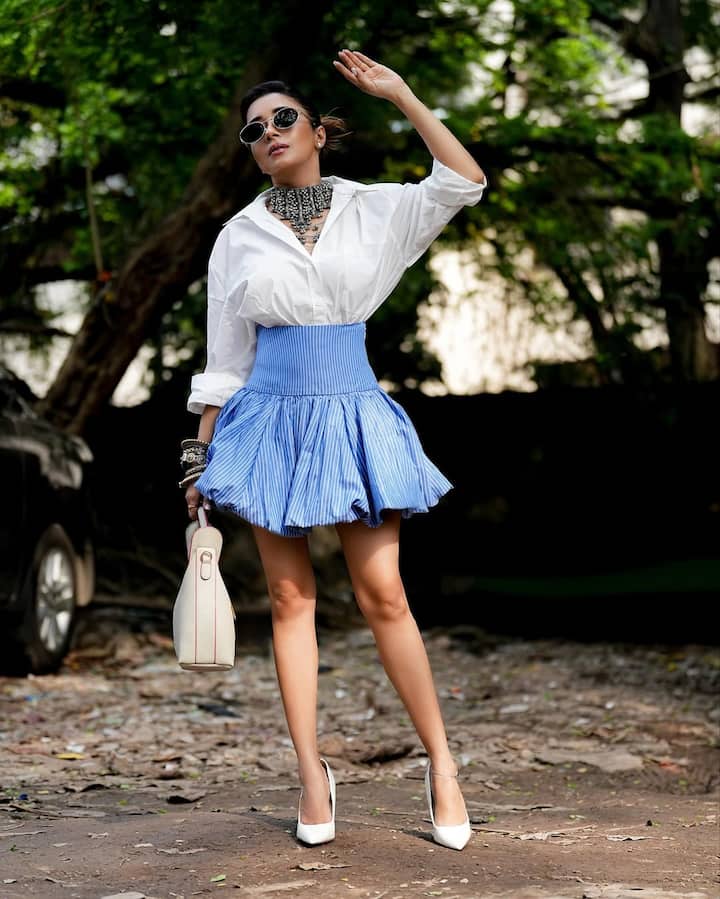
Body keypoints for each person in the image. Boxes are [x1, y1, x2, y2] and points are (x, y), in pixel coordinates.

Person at [180, 48, 487, 851]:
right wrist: (198, 457)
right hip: (267, 423)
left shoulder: (374, 209)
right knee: (289, 601)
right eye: (254, 129)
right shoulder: (237, 237)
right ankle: (313, 772)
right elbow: (223, 361)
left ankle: (443, 762)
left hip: (352, 414)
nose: (270, 131)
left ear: (318, 130)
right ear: (249, 151)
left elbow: (462, 182)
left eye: (284, 117)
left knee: (382, 592)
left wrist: (404, 94)